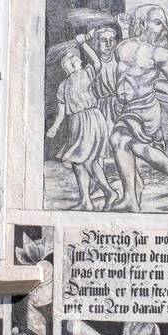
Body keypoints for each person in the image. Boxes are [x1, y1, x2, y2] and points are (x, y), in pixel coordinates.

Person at [108, 5, 168, 211]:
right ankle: (134, 196)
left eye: (163, 23)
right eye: (158, 22)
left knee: (119, 139)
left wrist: (155, 85)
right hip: (128, 106)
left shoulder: (161, 54)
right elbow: (122, 73)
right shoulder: (124, 46)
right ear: (143, 23)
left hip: (146, 106)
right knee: (126, 144)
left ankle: (133, 196)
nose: (163, 27)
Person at [46, 44, 116, 210]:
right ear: (63, 64)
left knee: (89, 161)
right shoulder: (63, 85)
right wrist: (55, 127)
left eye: (76, 56)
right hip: (75, 123)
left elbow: (98, 63)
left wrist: (84, 44)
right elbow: (61, 112)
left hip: (91, 118)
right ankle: (86, 200)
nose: (74, 58)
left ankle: (109, 192)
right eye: (70, 57)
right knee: (78, 162)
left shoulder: (87, 73)